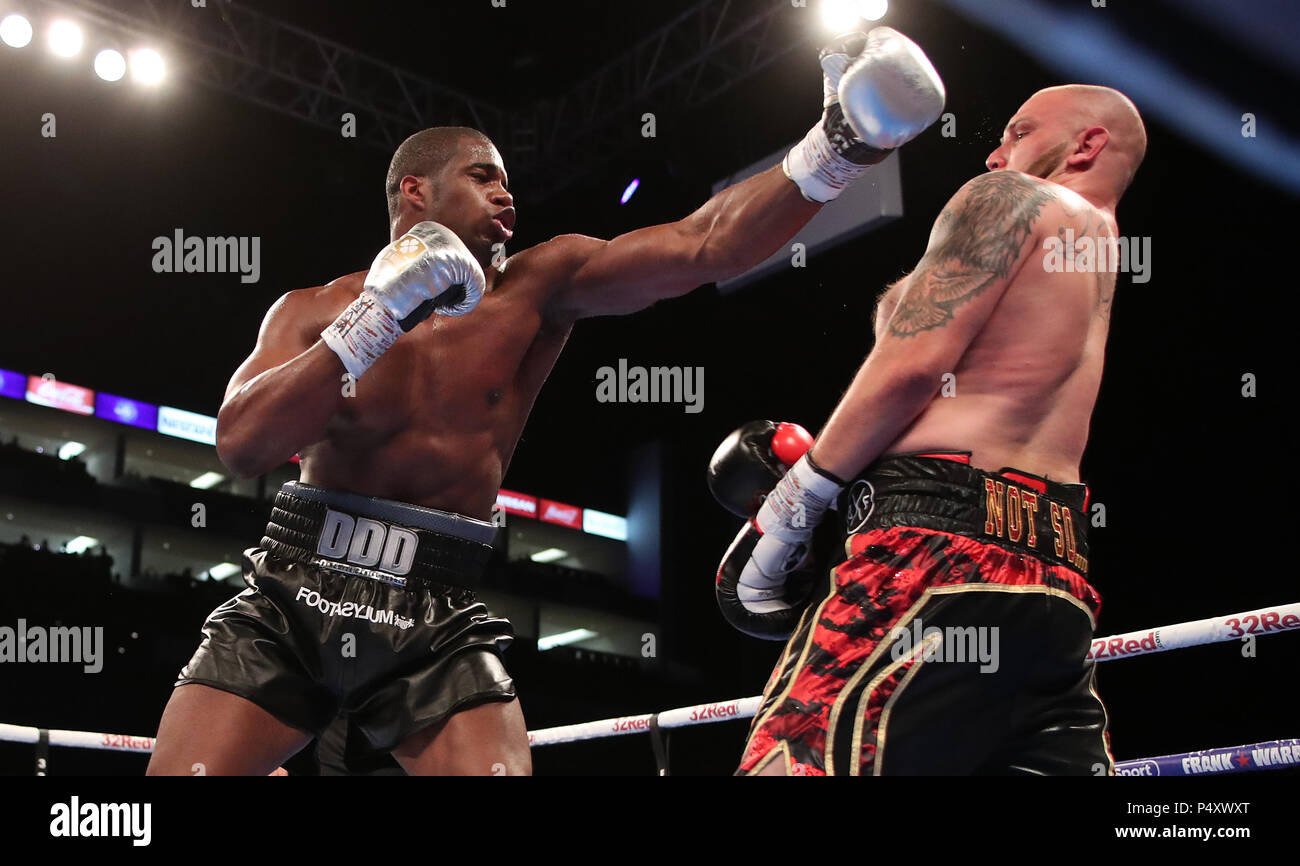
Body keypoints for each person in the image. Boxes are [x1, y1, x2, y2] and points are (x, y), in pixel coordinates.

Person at [145, 28, 946, 776]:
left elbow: (704, 244)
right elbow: (241, 446)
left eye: (507, 179)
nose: (507, 193)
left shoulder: (539, 287)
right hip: (295, 591)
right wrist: (374, 322)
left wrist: (837, 149)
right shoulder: (311, 310)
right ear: (414, 190)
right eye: (483, 174)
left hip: (437, 608)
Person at [715, 85, 1146, 775]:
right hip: (1057, 579)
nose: (996, 151)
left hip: (933, 554)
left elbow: (908, 368)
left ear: (1087, 144)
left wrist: (796, 501)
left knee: (797, 757)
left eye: (1019, 130)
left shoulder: (1003, 198)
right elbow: (918, 316)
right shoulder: (1097, 252)